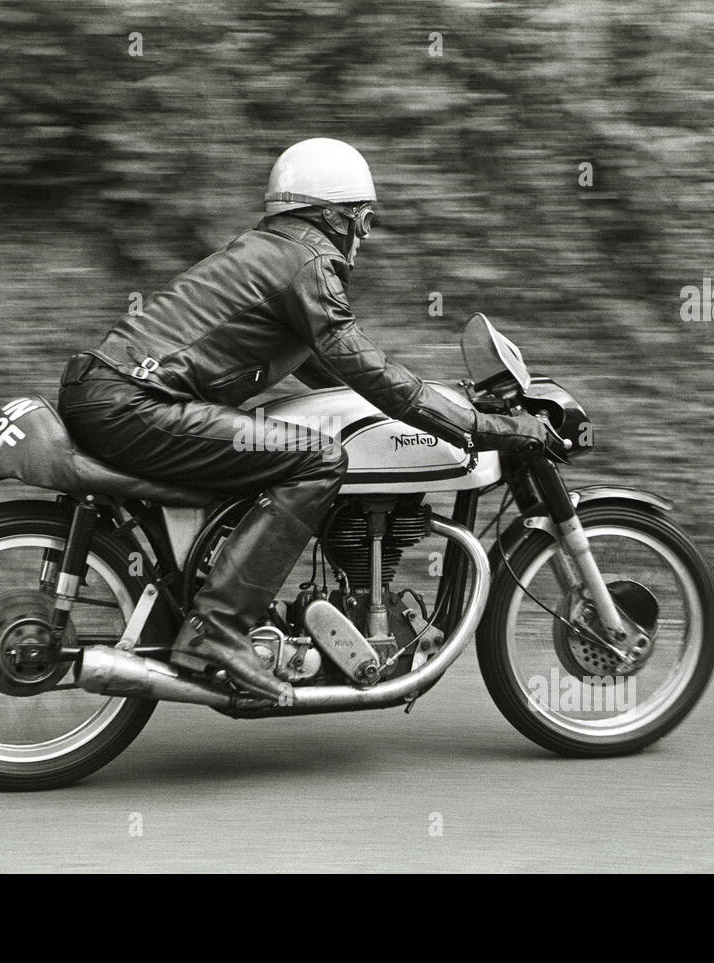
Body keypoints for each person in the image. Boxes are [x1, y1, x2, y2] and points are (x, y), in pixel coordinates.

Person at [58, 137, 544, 706]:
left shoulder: (272, 251)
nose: (363, 235)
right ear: (334, 215)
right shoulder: (306, 263)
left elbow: (342, 373)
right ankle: (217, 630)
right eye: (363, 220)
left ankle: (230, 618)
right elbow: (373, 372)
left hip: (111, 391)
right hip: (134, 403)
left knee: (296, 447)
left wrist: (445, 403)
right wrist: (483, 429)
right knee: (319, 459)